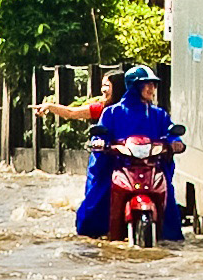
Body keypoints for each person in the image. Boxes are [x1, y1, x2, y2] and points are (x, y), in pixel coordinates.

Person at [78, 66, 182, 240]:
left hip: (151, 166)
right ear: (133, 86)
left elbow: (170, 133)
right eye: (145, 84)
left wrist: (175, 143)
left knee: (169, 196)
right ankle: (95, 230)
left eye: (153, 85)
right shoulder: (112, 112)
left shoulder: (158, 114)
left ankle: (169, 234)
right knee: (98, 197)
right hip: (120, 165)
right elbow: (100, 133)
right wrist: (100, 142)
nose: (151, 89)